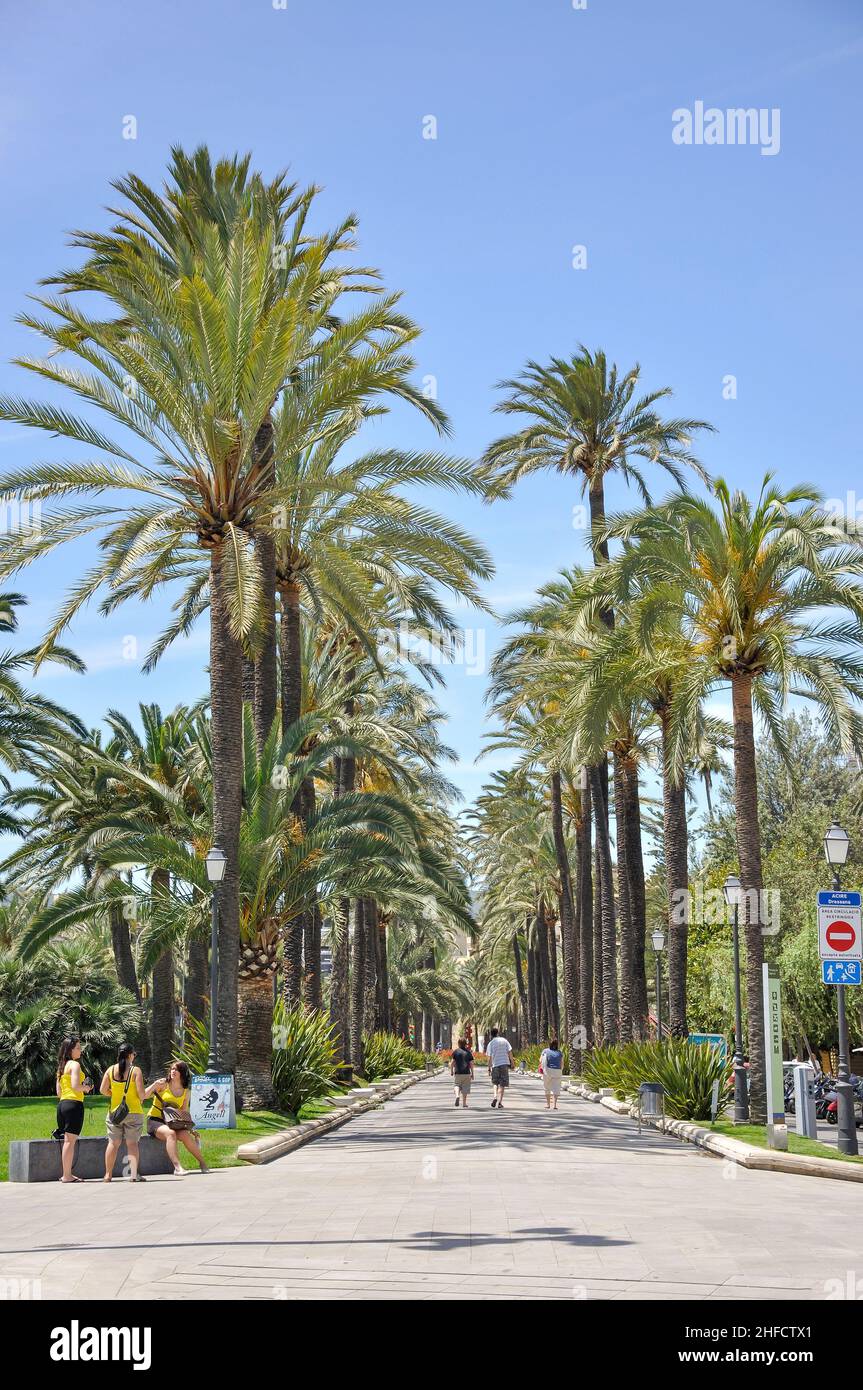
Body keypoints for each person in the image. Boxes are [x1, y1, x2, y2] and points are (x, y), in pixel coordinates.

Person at [144, 1061, 209, 1175]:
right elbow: (143, 1096)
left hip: (173, 1122)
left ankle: (203, 1163)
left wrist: (189, 1128)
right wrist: (154, 1084)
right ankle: (178, 1167)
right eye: (172, 1069)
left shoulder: (186, 1091)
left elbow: (183, 1111)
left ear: (182, 1073)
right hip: (155, 1120)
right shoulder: (163, 1084)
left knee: (185, 1135)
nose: (173, 1071)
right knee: (171, 1134)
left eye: (176, 1069)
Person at [100, 1042, 147, 1182]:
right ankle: (133, 1175)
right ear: (129, 1055)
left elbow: (103, 1090)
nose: (134, 1056)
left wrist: (114, 1094)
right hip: (133, 1112)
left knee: (113, 1143)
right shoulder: (135, 1071)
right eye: (134, 1054)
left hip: (115, 1113)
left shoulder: (110, 1070)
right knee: (132, 1144)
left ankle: (107, 1175)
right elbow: (141, 1094)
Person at [54, 1036, 93, 1183]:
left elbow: (59, 1092)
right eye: (77, 1047)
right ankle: (67, 1175)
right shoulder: (75, 1065)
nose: (80, 1050)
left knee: (67, 1140)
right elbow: (76, 1086)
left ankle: (66, 1174)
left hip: (62, 1105)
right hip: (74, 1104)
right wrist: (87, 1088)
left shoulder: (61, 1067)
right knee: (70, 1141)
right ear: (70, 1050)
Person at [487, 1026, 513, 1109]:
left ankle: (495, 1097)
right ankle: (500, 1102)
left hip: (495, 1065)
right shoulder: (504, 1041)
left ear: (491, 1035)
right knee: (502, 1084)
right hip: (504, 1064)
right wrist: (512, 1063)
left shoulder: (490, 1044)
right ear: (497, 1033)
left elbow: (489, 1057)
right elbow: (509, 1052)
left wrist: (489, 1067)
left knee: (495, 1083)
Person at [450, 1037, 474, 1108]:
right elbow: (471, 1064)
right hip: (466, 1072)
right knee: (465, 1088)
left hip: (458, 1072)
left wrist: (451, 1071)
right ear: (465, 1044)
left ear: (458, 1044)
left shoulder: (456, 1052)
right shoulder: (468, 1052)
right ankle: (464, 1103)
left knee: (456, 1085)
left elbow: (452, 1063)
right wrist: (472, 1073)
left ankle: (457, 1096)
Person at [540, 1038, 563, 1110]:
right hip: (558, 1071)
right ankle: (555, 1105)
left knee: (547, 1087)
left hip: (548, 1071)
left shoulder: (545, 1051)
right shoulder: (559, 1052)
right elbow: (562, 1063)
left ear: (549, 1044)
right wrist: (560, 1070)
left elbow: (540, 1060)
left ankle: (548, 1104)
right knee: (556, 1088)